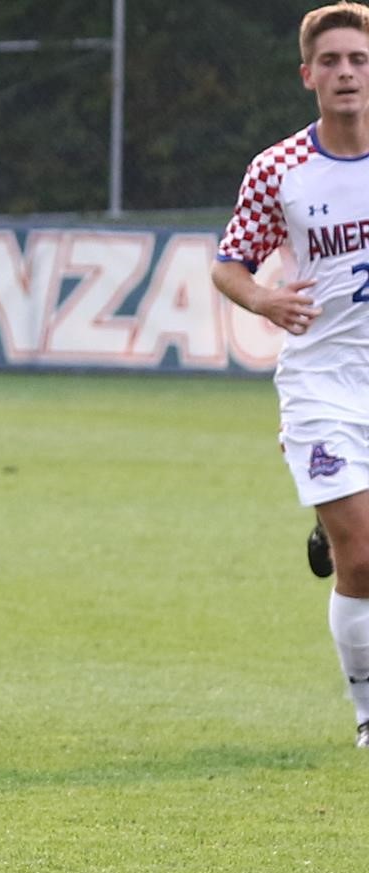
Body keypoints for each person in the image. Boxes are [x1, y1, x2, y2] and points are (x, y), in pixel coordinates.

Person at [213, 2, 369, 748]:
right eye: (332, 61)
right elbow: (229, 265)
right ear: (307, 75)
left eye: (359, 60)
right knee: (364, 556)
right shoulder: (280, 169)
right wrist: (264, 298)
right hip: (322, 380)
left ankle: (324, 515)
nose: (346, 72)